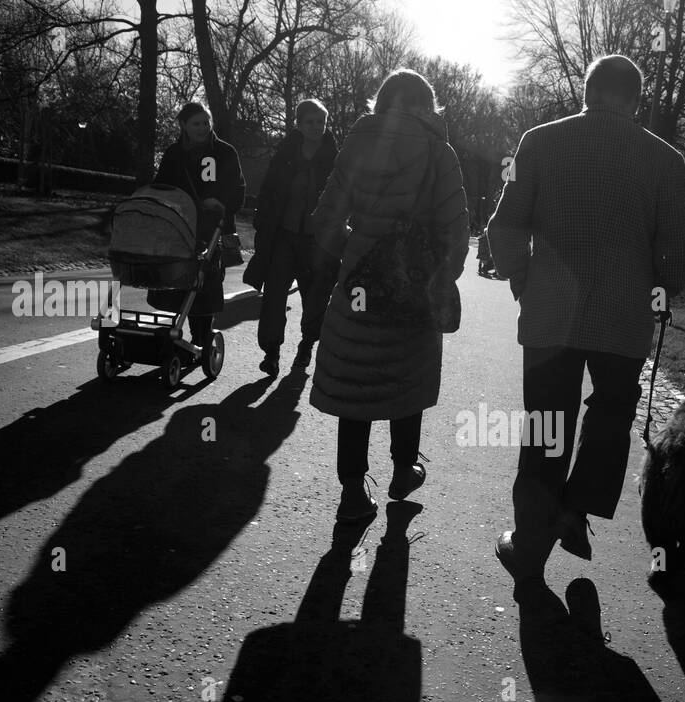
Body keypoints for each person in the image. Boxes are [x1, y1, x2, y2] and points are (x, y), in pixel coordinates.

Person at [488, 54, 685, 584]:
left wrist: (521, 280)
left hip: (551, 314)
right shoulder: (665, 160)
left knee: (546, 425)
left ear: (586, 91)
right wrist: (662, 287)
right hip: (623, 318)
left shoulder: (540, 140)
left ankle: (531, 543)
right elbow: (677, 251)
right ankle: (576, 511)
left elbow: (506, 225)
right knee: (609, 419)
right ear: (635, 101)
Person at [309, 70, 469, 523]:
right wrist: (433, 275)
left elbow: (324, 220)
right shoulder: (440, 153)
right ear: (428, 106)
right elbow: (457, 236)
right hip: (414, 288)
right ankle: (403, 469)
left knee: (355, 384)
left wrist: (356, 256)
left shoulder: (357, 145)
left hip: (359, 284)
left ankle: (352, 491)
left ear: (380, 103)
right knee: (407, 379)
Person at [245, 99, 340, 375]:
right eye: (310, 122)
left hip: (317, 241)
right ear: (298, 124)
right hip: (284, 237)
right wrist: (262, 224)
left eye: (321, 122)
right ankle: (271, 352)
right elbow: (269, 192)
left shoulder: (334, 159)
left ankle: (307, 344)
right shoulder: (285, 154)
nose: (316, 127)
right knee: (275, 295)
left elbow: (344, 197)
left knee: (315, 297)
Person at [150, 102, 245, 352]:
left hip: (212, 227)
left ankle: (201, 337)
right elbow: (162, 185)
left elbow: (238, 189)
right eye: (196, 124)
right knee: (180, 279)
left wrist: (222, 204)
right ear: (183, 125)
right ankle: (183, 334)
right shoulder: (173, 154)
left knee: (206, 280)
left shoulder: (224, 153)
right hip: (180, 226)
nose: (203, 128)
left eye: (206, 122)